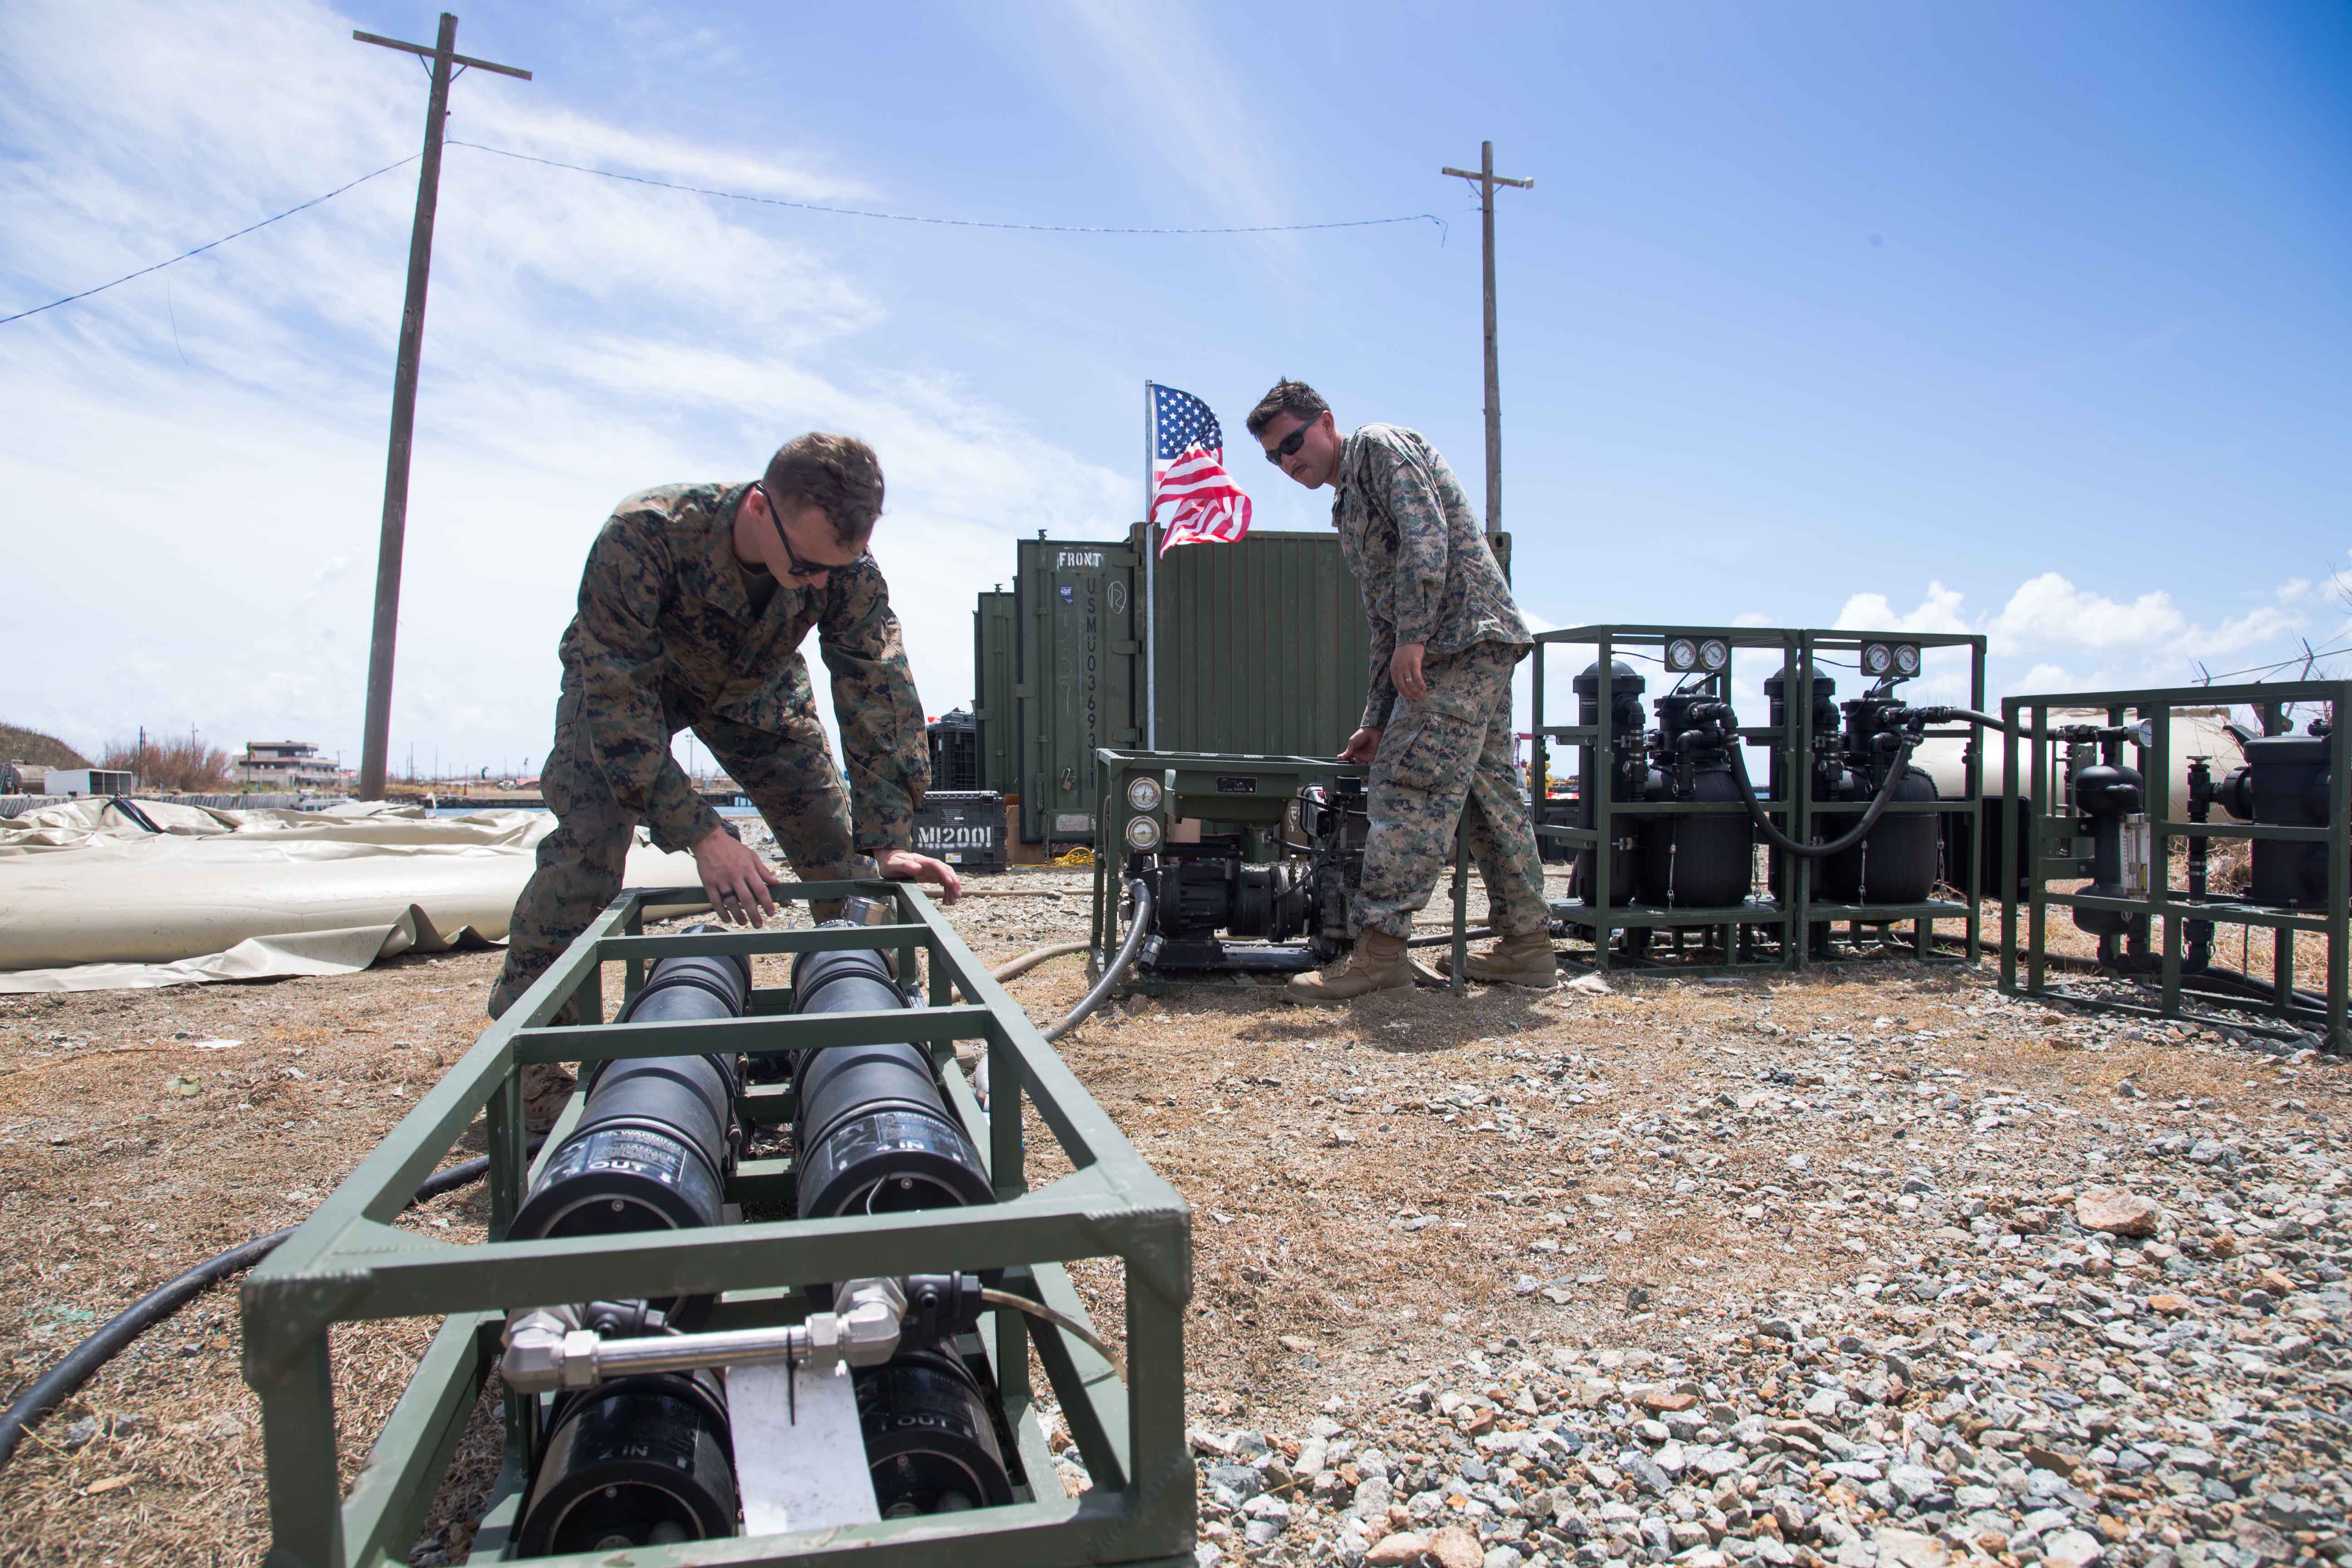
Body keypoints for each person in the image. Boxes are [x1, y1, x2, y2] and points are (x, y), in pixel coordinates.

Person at [489, 434, 961, 1105]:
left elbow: (876, 686)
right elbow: (618, 705)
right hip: (629, 686)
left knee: (841, 855)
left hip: (756, 692)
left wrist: (886, 836)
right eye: (806, 569)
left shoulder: (842, 565)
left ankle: (872, 1032)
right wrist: (703, 835)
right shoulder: (643, 536)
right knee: (586, 848)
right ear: (761, 509)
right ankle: (528, 1060)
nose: (822, 583)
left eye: (838, 567)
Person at [1245, 381, 1555, 1002]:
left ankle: (1381, 954)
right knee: (1490, 797)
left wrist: (1416, 637)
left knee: (1406, 785)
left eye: (1293, 443)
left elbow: (1427, 540)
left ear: (1326, 423)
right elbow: (1382, 621)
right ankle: (1528, 949)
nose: (1287, 462)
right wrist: (1376, 719)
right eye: (1274, 456)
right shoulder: (1347, 507)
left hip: (1458, 642)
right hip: (1464, 644)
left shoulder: (1378, 450)